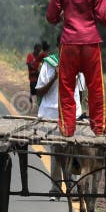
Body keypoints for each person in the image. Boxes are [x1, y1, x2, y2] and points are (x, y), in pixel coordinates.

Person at [45, 0, 106, 137]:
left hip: (69, 44)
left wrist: (62, 17)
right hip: (91, 43)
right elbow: (103, 20)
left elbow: (50, 17)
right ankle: (98, 128)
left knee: (66, 87)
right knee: (95, 86)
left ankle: (67, 129)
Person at [35, 35, 85, 199]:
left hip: (73, 113)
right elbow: (39, 91)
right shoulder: (49, 64)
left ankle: (75, 188)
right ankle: (56, 189)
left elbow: (81, 91)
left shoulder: (78, 63)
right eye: (63, 44)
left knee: (75, 149)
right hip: (52, 114)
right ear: (58, 46)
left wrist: (77, 110)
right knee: (56, 151)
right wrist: (54, 77)